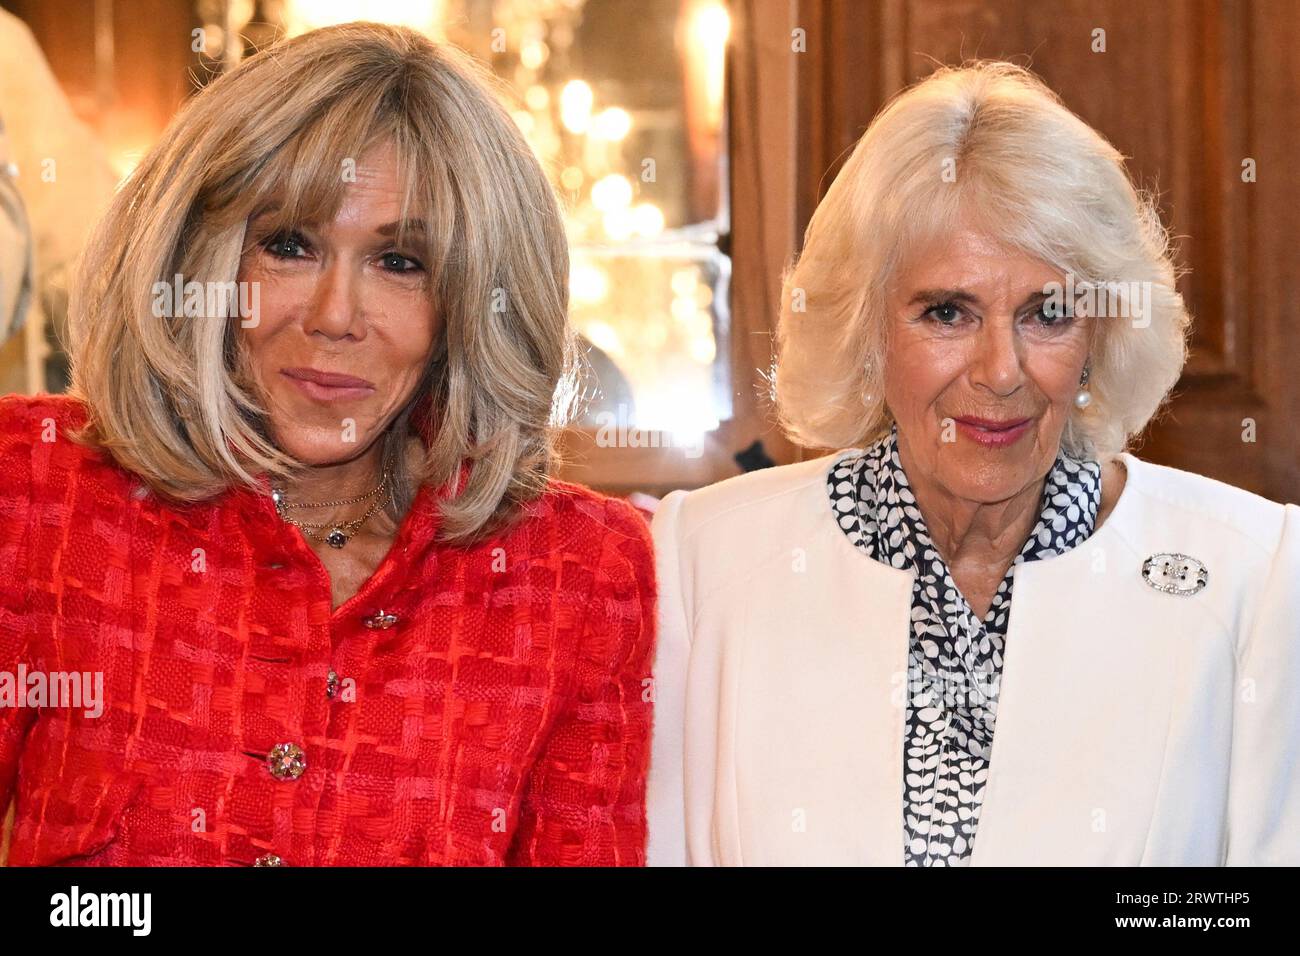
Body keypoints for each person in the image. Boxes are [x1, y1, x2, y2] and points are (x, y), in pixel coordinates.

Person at [0, 22, 655, 867]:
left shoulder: (577, 573)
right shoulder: (38, 494)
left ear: (473, 300)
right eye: (289, 245)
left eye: (402, 262)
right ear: (198, 259)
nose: (335, 316)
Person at [646, 61, 1300, 866]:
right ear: (867, 332)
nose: (1000, 370)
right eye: (947, 312)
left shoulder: (1253, 575)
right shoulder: (702, 561)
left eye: (1047, 313)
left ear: (1099, 338)